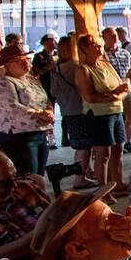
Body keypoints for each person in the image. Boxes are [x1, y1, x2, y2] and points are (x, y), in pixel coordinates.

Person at [74, 33, 129, 190]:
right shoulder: (83, 69)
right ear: (84, 48)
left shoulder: (106, 64)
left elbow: (121, 85)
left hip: (116, 111)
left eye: (99, 44)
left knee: (118, 150)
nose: (99, 47)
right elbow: (89, 96)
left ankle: (118, 183)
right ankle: (103, 189)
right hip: (99, 115)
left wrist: (118, 94)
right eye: (94, 45)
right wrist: (114, 95)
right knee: (103, 154)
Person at [0, 42, 55, 176]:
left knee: (39, 174)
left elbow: (45, 98)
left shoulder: (31, 79)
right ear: (8, 64)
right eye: (20, 61)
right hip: (19, 135)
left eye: (27, 59)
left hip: (38, 131)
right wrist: (40, 114)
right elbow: (12, 107)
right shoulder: (4, 82)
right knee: (27, 174)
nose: (26, 63)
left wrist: (49, 111)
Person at [50, 35, 96, 188]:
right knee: (84, 146)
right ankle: (80, 178)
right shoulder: (78, 67)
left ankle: (85, 172)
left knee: (80, 144)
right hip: (80, 109)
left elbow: (53, 92)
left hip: (67, 110)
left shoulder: (56, 69)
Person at [101, 27, 131, 155]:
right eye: (111, 35)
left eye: (115, 34)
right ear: (104, 38)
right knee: (116, 117)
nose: (115, 37)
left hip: (127, 88)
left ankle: (128, 142)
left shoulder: (125, 53)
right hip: (113, 90)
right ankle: (118, 144)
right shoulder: (102, 56)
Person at [30, 34, 59, 149]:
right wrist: (48, 67)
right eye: (52, 40)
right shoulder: (39, 57)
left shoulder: (58, 55)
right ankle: (49, 139)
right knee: (48, 112)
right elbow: (35, 74)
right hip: (46, 88)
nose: (55, 42)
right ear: (45, 42)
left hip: (58, 87)